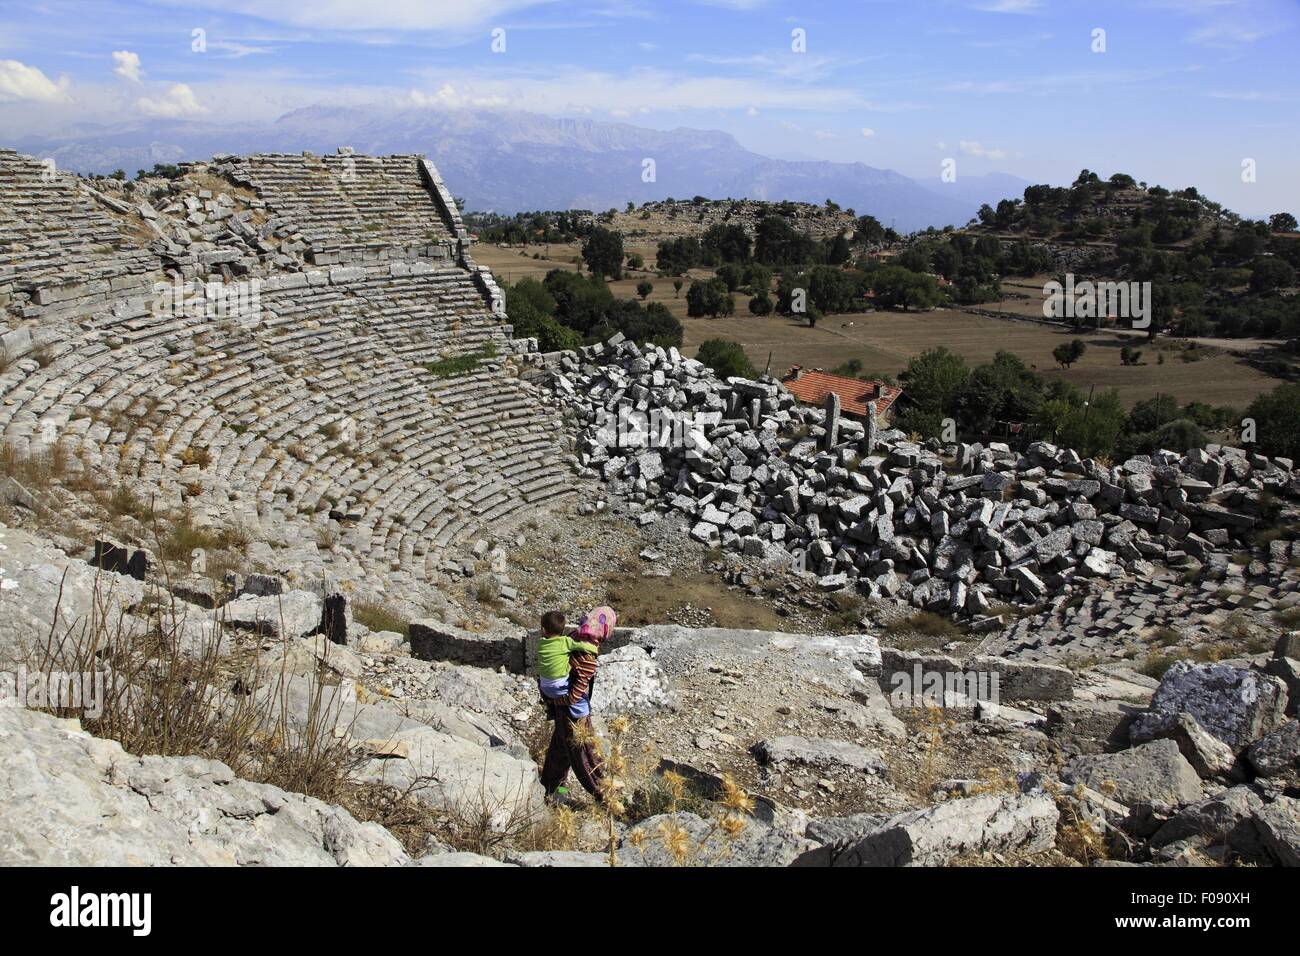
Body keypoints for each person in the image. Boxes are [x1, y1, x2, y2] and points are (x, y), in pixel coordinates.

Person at [539, 605, 617, 803]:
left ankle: (553, 788)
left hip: (561, 706)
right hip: (572, 711)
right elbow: (576, 692)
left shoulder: (573, 637)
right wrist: (560, 701)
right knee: (582, 754)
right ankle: (604, 795)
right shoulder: (587, 654)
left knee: (560, 749)